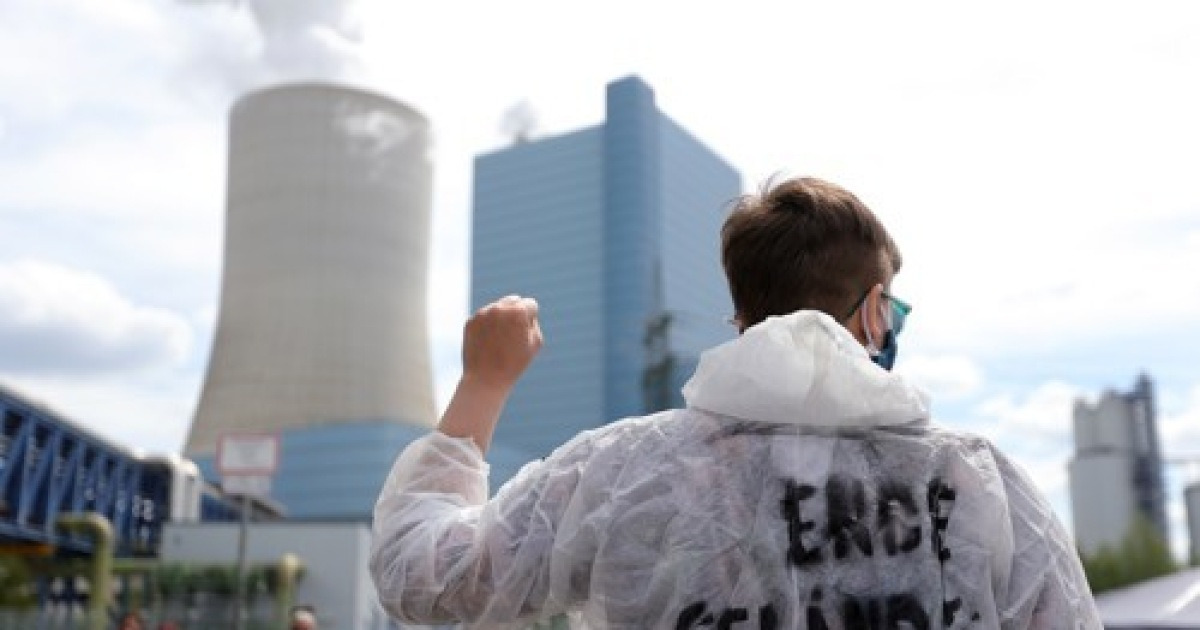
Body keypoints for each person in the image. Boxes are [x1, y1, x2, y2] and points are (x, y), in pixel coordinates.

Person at [370, 177, 1101, 628]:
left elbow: (422, 578)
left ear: (743, 322)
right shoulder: (984, 486)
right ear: (876, 314)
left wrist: (484, 382)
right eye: (896, 311)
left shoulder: (619, 473)